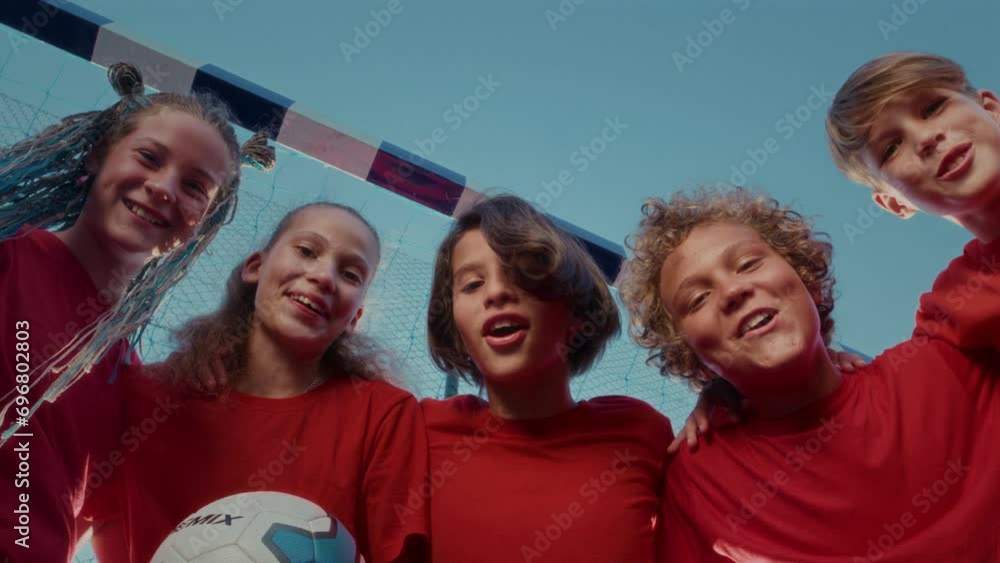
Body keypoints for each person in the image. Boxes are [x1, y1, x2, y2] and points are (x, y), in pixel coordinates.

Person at [620, 187, 1000, 562]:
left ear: (809, 281)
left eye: (749, 263)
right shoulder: (699, 482)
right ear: (691, 355)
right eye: (697, 300)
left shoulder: (950, 355)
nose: (733, 290)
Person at [0, 62, 273, 562]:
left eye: (195, 187)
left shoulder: (129, 379)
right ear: (102, 154)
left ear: (202, 225)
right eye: (149, 157)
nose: (164, 187)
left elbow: (113, 533)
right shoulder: (8, 264)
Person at [91, 202, 430, 563]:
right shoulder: (146, 395)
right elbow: (95, 523)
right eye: (307, 251)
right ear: (255, 267)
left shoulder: (382, 414)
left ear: (354, 317)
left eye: (350, 274)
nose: (325, 276)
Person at [419, 195, 673, 562]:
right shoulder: (418, 431)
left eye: (524, 273)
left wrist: (724, 400)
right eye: (472, 284)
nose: (496, 292)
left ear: (575, 309)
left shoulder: (642, 431)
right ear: (455, 328)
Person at [827, 51, 1000, 350]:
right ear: (895, 203)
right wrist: (830, 371)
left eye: (933, 107)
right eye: (892, 148)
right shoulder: (950, 314)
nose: (925, 138)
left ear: (992, 108)